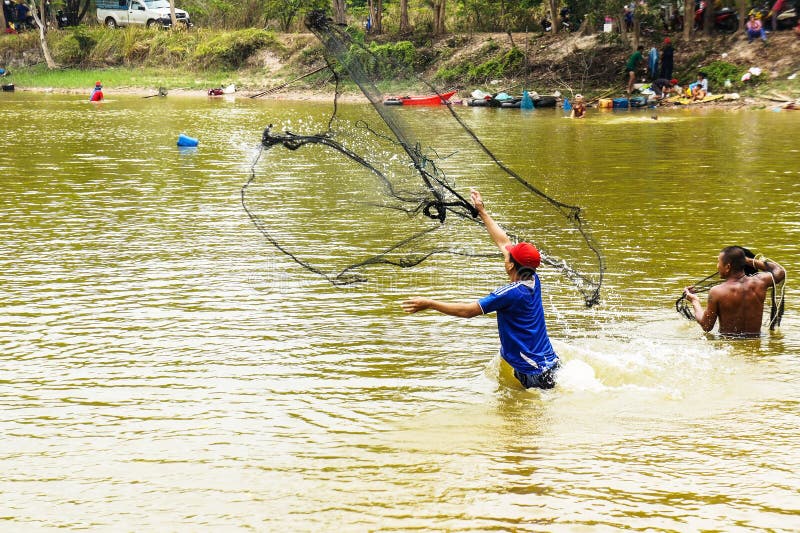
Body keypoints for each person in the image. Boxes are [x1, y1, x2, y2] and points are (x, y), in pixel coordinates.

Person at [401, 189, 561, 390]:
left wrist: (430, 304)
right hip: (551, 362)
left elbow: (468, 311)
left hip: (532, 373)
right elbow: (504, 242)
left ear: (511, 265)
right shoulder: (533, 279)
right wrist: (481, 211)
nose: (505, 254)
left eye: (508, 257)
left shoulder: (510, 293)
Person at [683, 246, 785, 337]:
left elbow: (706, 326)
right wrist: (748, 261)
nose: (717, 266)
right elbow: (780, 271)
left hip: (729, 344)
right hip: (756, 341)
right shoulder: (760, 282)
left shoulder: (717, 291)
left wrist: (694, 301)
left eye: (718, 262)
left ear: (727, 267)